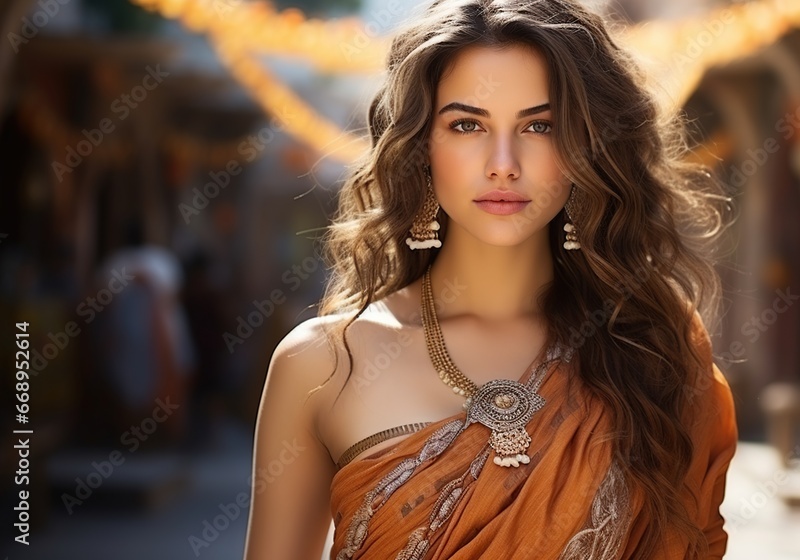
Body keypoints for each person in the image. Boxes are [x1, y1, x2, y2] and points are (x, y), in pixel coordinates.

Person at [244, 0, 737, 558]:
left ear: (585, 149)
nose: (503, 162)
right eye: (467, 124)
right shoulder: (324, 363)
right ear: (421, 148)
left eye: (539, 125)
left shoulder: (654, 346)